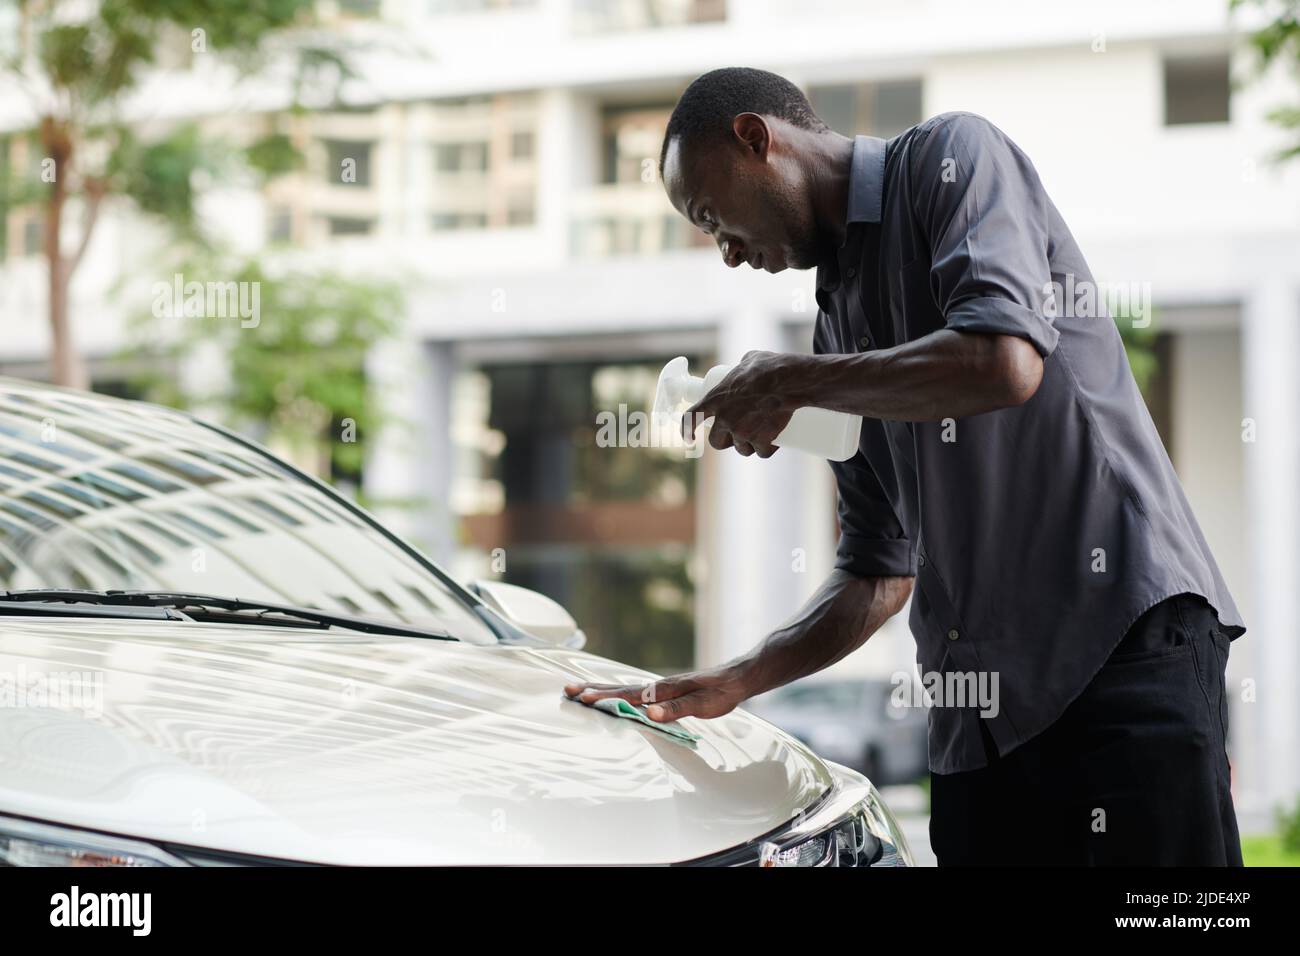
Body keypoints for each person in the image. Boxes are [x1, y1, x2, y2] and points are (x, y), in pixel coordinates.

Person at [563, 67, 1244, 866]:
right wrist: (734, 680)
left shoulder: (952, 158)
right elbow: (878, 572)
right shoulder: (835, 324)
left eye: (714, 218)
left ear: (757, 140)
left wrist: (787, 381)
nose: (731, 256)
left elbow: (1003, 361)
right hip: (979, 727)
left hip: (1118, 650)